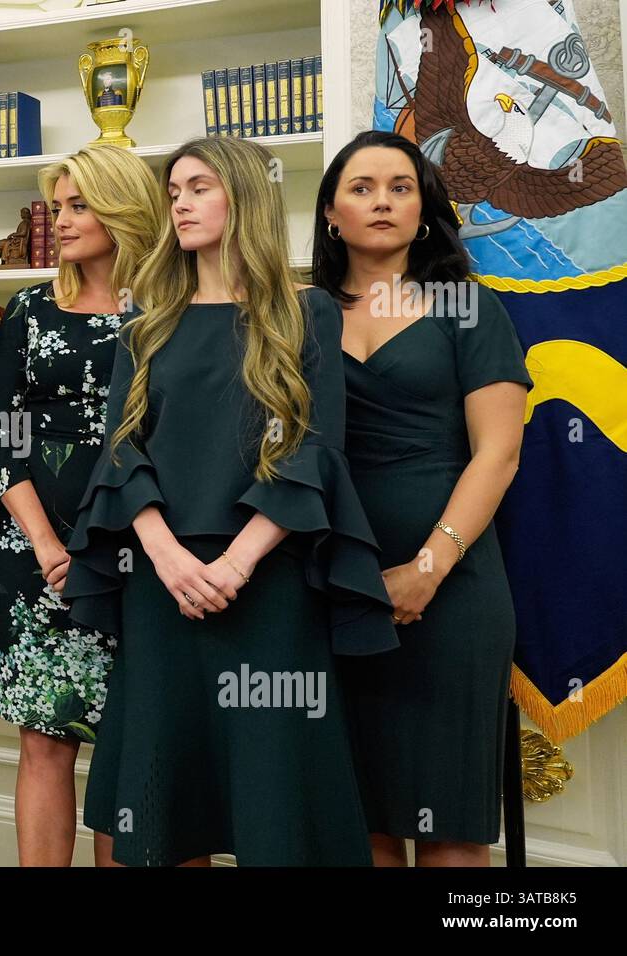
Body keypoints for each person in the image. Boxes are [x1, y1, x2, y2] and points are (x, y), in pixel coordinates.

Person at [64, 136, 398, 867]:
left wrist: (238, 564)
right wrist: (168, 557)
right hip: (161, 589)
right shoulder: (146, 322)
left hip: (270, 589)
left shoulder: (308, 316)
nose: (179, 202)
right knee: (164, 805)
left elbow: (315, 450)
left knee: (274, 799)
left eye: (198, 187)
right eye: (174, 190)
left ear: (243, 196)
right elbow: (120, 453)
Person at [313, 130, 531, 867]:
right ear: (331, 215)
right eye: (362, 187)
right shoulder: (301, 317)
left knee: (449, 825)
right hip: (333, 587)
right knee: (359, 819)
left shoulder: (467, 307)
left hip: (454, 590)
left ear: (425, 209)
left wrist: (428, 568)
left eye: (400, 187)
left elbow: (498, 454)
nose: (382, 201)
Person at [0, 145, 164, 866]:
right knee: (43, 738)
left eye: (79, 205)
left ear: (123, 208)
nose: (60, 220)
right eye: (57, 206)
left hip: (142, 552)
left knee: (129, 742)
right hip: (34, 558)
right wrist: (48, 546)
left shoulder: (169, 306)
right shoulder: (28, 308)